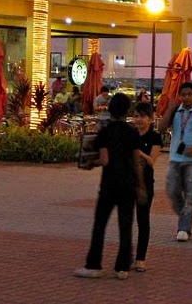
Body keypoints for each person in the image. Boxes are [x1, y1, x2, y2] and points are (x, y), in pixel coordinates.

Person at [74, 93, 145, 280]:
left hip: (109, 184)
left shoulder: (105, 132)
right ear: (127, 111)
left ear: (110, 110)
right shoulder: (132, 132)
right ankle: (122, 267)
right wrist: (141, 186)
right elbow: (137, 161)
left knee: (100, 224)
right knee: (126, 225)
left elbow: (104, 160)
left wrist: (90, 163)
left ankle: (94, 265)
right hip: (128, 184)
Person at [159, 82, 192, 243]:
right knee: (172, 190)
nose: (186, 97)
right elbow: (161, 127)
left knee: (190, 195)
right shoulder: (176, 110)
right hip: (175, 158)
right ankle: (185, 214)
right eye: (183, 94)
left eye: (189, 94)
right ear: (180, 96)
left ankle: (184, 228)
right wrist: (169, 108)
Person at [132, 102, 162, 271]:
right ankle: (126, 255)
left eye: (142, 116)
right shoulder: (130, 134)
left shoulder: (155, 138)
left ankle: (141, 258)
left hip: (145, 185)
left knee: (143, 220)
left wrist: (139, 153)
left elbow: (151, 161)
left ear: (150, 119)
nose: (139, 120)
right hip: (128, 182)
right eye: (136, 116)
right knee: (126, 220)